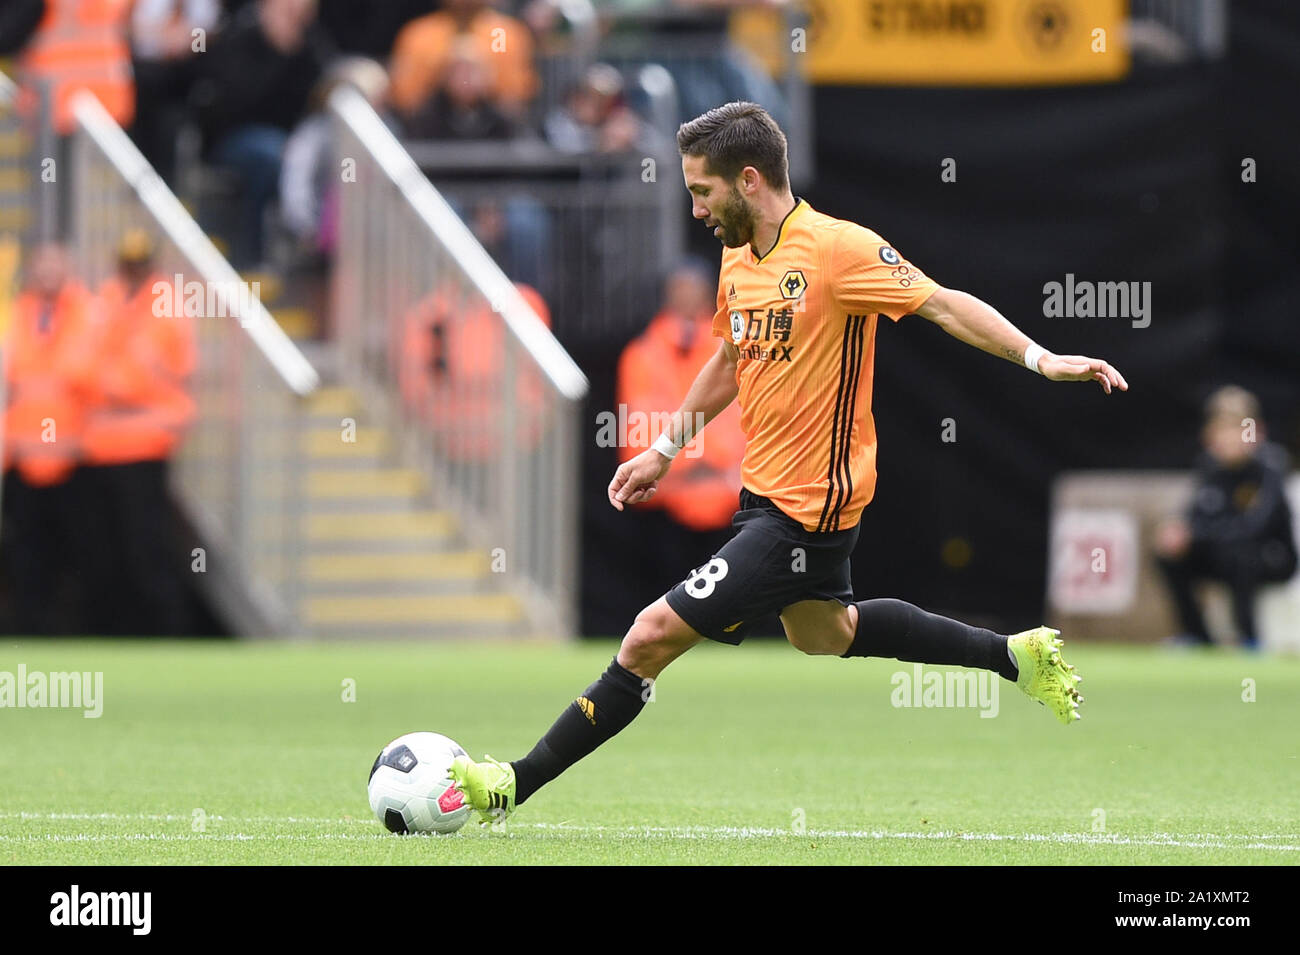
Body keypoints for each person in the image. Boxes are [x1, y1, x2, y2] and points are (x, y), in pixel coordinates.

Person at [446, 101, 1125, 824]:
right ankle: (1016, 656)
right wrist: (665, 450)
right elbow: (732, 357)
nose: (696, 209)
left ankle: (510, 784)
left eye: (702, 192)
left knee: (647, 636)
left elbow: (942, 304)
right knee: (824, 633)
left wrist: (1041, 357)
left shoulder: (838, 250)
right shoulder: (739, 254)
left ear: (747, 180)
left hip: (808, 510)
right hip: (764, 496)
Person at [79, 229, 197, 635]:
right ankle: (116, 630)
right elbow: (84, 365)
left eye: (140, 263)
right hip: (101, 444)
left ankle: (164, 630)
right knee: (104, 547)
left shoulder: (165, 305)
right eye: (128, 263)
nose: (133, 271)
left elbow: (141, 373)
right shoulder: (107, 300)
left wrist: (114, 383)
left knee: (146, 544)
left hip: (146, 442)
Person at [1, 243, 98, 633]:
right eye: (40, 266)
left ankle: (77, 629)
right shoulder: (14, 316)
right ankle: (26, 628)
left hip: (74, 455)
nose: (47, 274)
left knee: (78, 550)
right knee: (23, 551)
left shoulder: (90, 314)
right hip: (22, 454)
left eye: (54, 265)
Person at [1155, 386, 1298, 649]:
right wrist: (1179, 533)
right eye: (1222, 430)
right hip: (1224, 553)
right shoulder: (1210, 468)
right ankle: (1198, 637)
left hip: (1271, 557)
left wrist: (1198, 534)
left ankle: (1249, 640)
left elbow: (1254, 528)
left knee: (1241, 553)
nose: (1229, 438)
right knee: (1169, 555)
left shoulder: (1270, 468)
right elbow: (1195, 516)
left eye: (1237, 429)